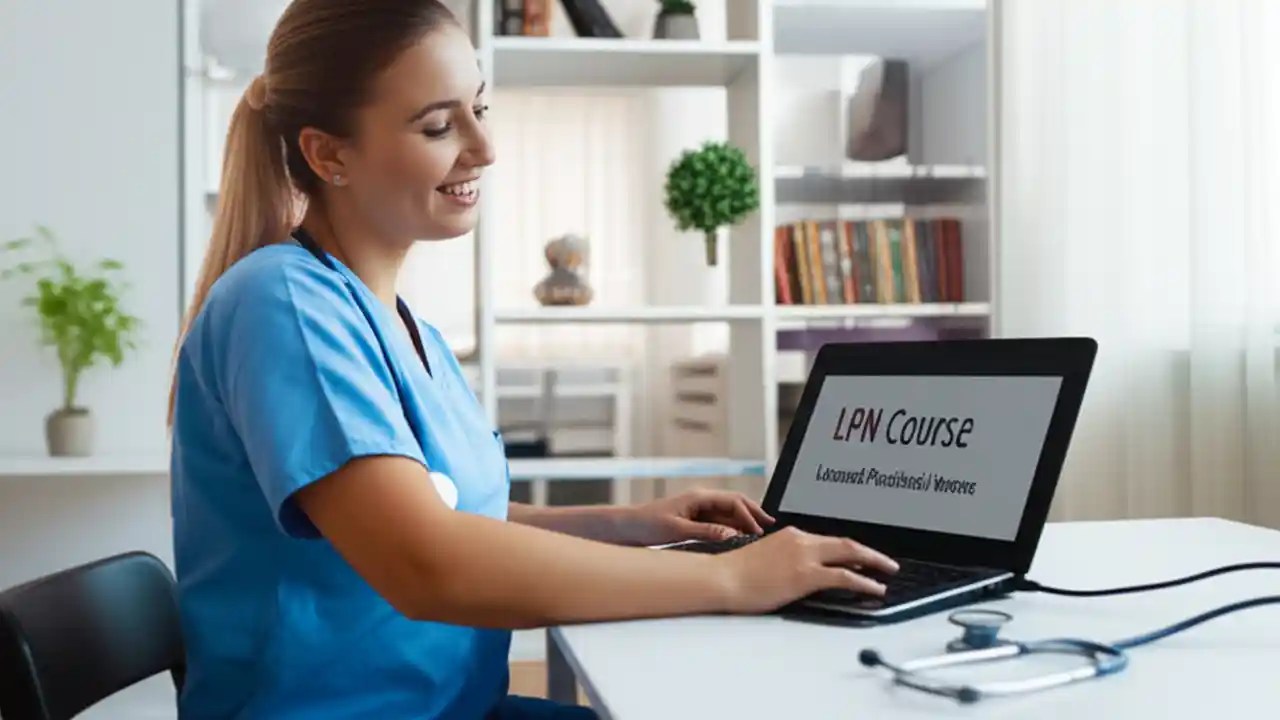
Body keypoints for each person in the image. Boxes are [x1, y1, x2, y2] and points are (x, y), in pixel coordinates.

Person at [168, 1, 898, 718]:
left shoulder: (404, 326)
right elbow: (428, 562)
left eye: (480, 109)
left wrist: (633, 522)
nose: (483, 149)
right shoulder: (283, 303)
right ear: (329, 154)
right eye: (437, 125)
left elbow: (460, 513)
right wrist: (733, 581)